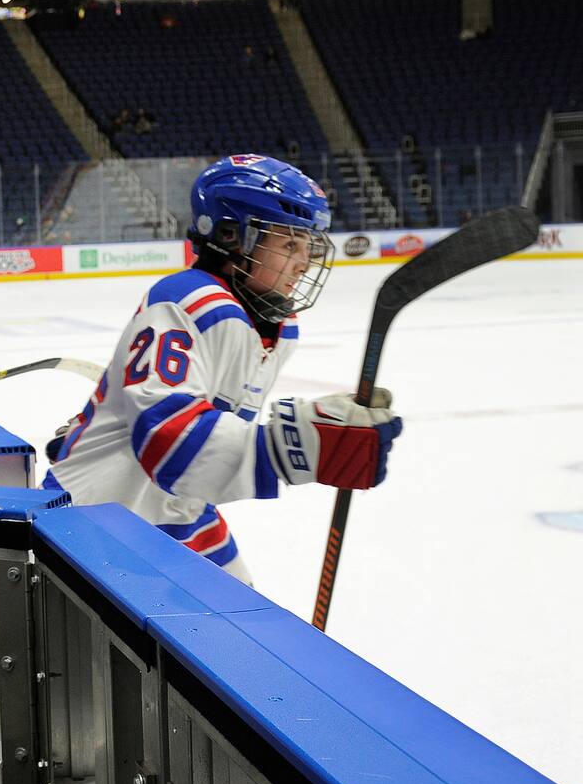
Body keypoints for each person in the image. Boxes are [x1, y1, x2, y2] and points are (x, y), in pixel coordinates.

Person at [44, 155, 402, 583]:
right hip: (101, 519)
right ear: (233, 237)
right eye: (289, 244)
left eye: (308, 246)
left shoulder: (275, 327)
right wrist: (299, 446)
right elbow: (167, 440)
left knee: (247, 626)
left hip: (179, 509)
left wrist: (323, 426)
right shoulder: (188, 301)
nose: (304, 262)